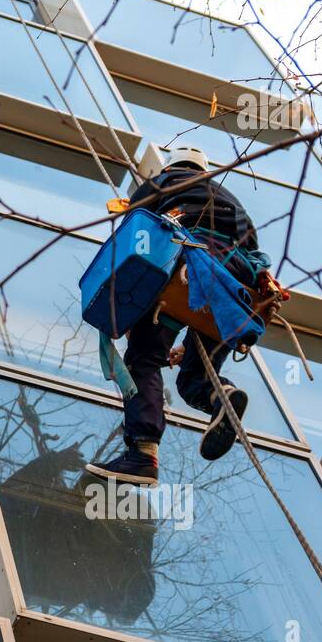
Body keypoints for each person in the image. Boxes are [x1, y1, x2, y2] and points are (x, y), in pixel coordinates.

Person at [86, 145, 266, 486]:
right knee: (194, 378)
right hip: (229, 294)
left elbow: (135, 235)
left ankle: (142, 454)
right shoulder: (233, 202)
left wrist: (128, 306)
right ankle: (222, 395)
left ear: (174, 165)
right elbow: (252, 252)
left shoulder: (164, 182)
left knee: (143, 359)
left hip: (181, 275)